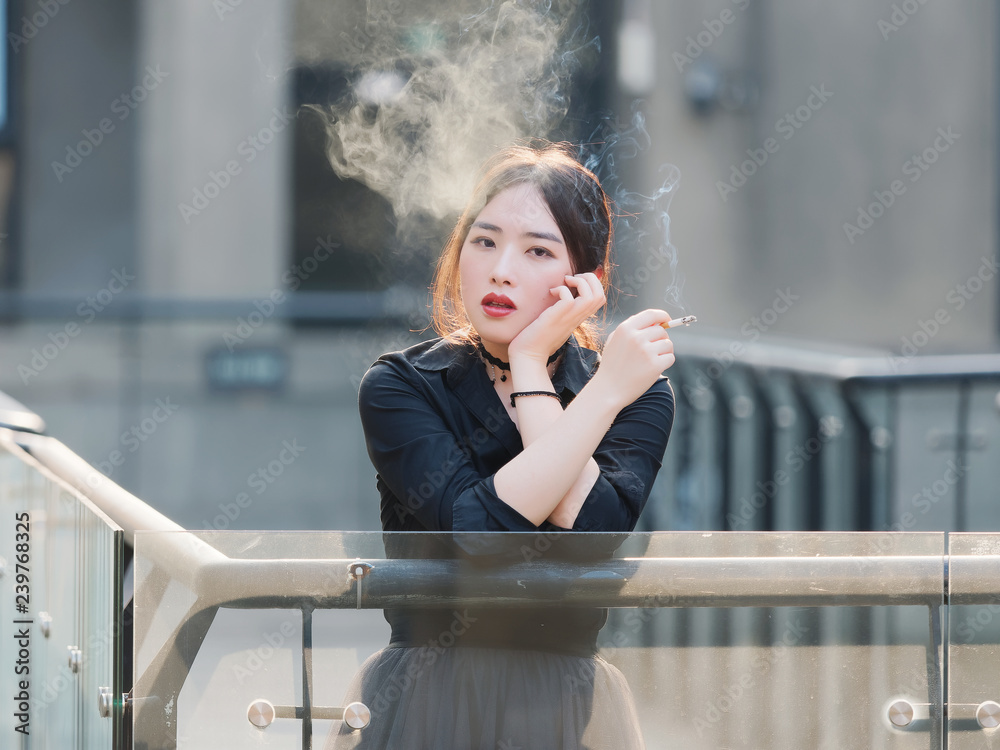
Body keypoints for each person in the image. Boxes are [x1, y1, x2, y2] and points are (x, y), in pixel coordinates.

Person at [328, 140, 676, 749]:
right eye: (484, 241)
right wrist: (576, 385)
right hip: (429, 702)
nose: (500, 269)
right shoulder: (402, 385)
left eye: (537, 250)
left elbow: (589, 530)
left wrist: (536, 368)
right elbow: (476, 532)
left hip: (564, 706)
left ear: (583, 281)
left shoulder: (637, 393)